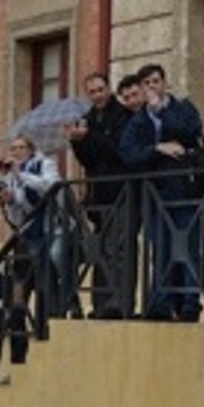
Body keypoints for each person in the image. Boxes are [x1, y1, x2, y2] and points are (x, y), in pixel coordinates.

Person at [116, 63, 204, 321]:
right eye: (147, 83)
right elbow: (128, 153)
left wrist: (164, 114)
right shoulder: (139, 119)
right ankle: (162, 301)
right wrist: (157, 148)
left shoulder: (182, 108)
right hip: (155, 193)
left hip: (184, 189)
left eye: (156, 81)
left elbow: (191, 131)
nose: (152, 87)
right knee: (161, 248)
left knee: (188, 248)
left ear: (164, 83)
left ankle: (190, 302)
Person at [0, 135, 67, 360]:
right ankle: (18, 354)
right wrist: (9, 200)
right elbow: (19, 214)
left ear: (31, 150)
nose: (16, 152)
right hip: (26, 237)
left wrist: (20, 174)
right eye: (13, 148)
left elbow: (50, 187)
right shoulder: (11, 176)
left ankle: (46, 332)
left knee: (47, 285)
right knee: (17, 298)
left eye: (21, 147)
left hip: (51, 231)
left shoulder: (44, 164)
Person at [64, 70, 136, 318]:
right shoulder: (87, 119)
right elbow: (89, 160)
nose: (97, 95)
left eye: (100, 90)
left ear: (109, 89)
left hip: (123, 190)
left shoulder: (125, 116)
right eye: (92, 92)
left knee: (121, 249)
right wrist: (77, 142)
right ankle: (100, 303)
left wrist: (90, 136)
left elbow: (119, 151)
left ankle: (121, 302)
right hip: (99, 193)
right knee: (101, 250)